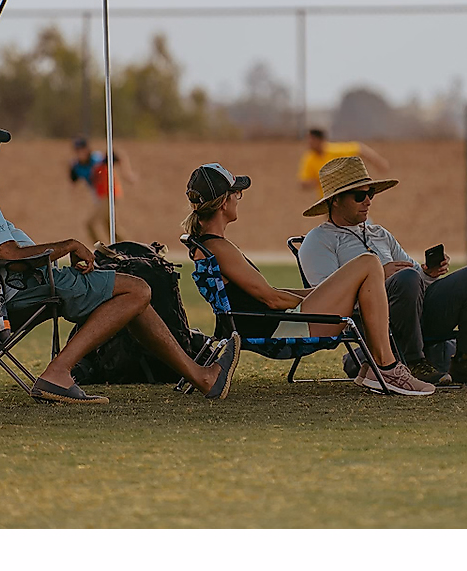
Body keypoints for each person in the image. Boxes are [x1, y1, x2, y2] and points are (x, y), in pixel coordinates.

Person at [0, 113, 239, 405]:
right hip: (11, 290)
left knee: (122, 293)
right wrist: (69, 245)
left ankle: (200, 376)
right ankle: (58, 372)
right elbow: (10, 256)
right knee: (137, 290)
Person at [183, 161, 435, 396]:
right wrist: (315, 303)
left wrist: (321, 294)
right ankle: (387, 367)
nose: (239, 199)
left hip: (271, 322)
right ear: (223, 203)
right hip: (282, 328)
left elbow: (264, 294)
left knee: (363, 269)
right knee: (369, 263)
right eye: (236, 194)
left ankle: (377, 365)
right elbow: (270, 299)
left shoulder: (206, 246)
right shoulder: (220, 248)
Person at [297, 156, 467, 386]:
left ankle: (466, 360)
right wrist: (374, 278)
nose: (368, 201)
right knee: (406, 279)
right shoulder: (319, 241)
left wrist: (429, 273)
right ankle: (413, 363)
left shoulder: (380, 234)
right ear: (335, 200)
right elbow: (326, 301)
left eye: (370, 194)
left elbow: (414, 276)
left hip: (415, 309)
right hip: (376, 321)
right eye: (359, 196)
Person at [70, 136, 137, 245]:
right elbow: (73, 180)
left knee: (90, 223)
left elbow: (118, 156)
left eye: (82, 150)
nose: (80, 153)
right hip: (99, 196)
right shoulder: (77, 166)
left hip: (110, 193)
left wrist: (127, 174)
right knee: (110, 226)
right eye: (77, 151)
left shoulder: (97, 159)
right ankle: (129, 248)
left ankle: (100, 249)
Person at [298, 128, 389, 198]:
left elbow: (360, 148)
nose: (308, 143)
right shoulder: (309, 158)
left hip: (347, 195)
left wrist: (379, 163)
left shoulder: (334, 151)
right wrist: (324, 179)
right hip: (328, 199)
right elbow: (303, 183)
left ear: (320, 140)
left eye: (311, 140)